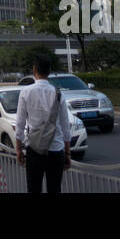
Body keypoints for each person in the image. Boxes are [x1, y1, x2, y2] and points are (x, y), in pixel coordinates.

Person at [14, 55, 74, 194]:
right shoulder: (58, 94)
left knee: (33, 189)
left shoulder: (25, 92)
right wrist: (68, 153)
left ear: (34, 70)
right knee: (55, 189)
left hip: (34, 150)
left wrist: (18, 148)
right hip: (56, 150)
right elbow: (65, 126)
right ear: (49, 71)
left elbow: (20, 123)